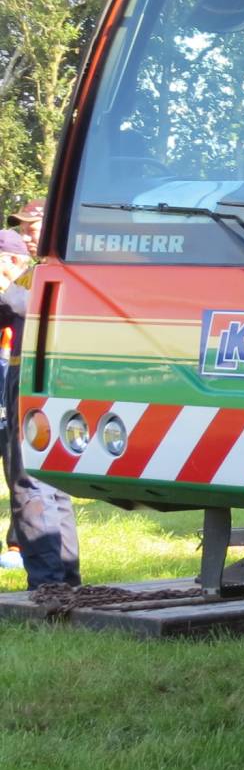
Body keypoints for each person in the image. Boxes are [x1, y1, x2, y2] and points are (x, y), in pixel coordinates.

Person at [0, 222, 80, 588]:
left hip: (33, 381)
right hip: (49, 379)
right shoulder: (52, 274)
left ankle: (48, 584)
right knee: (50, 482)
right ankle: (63, 579)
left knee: (29, 481)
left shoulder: (34, 279)